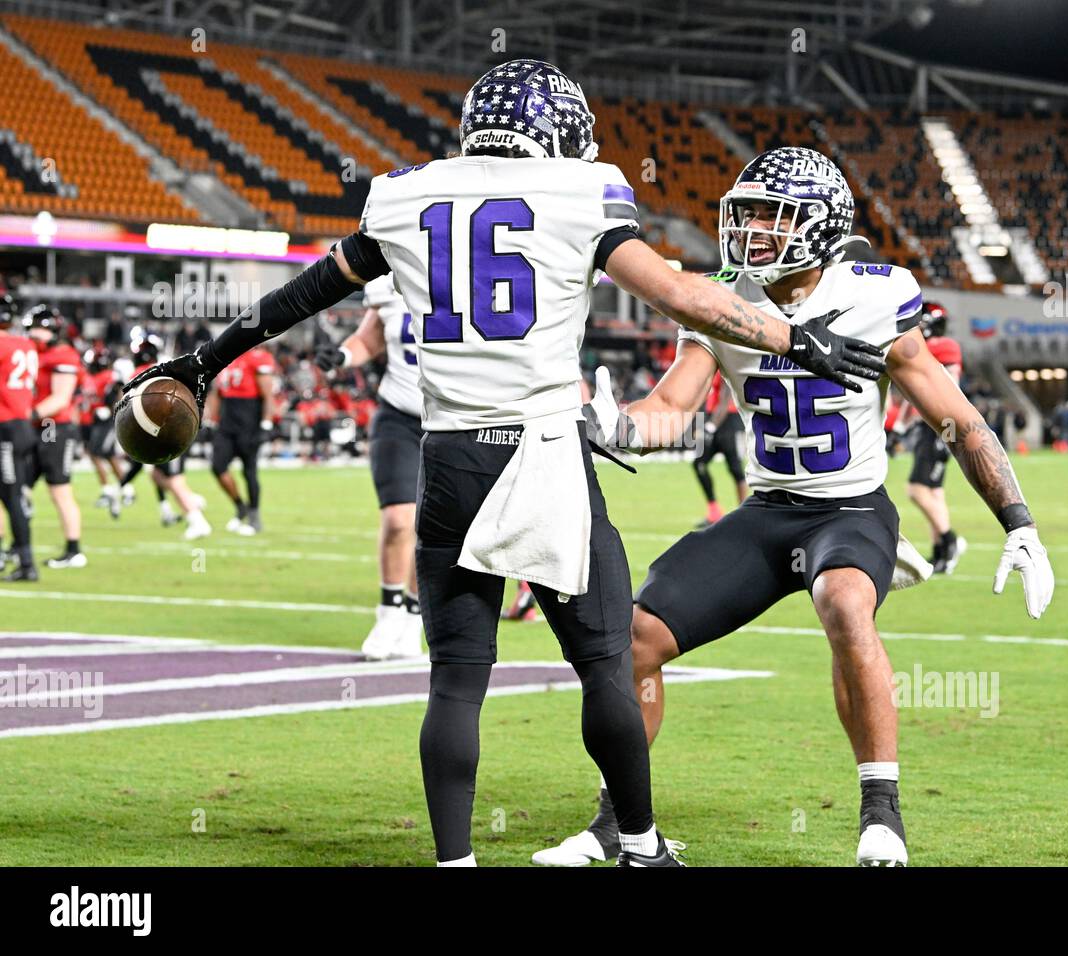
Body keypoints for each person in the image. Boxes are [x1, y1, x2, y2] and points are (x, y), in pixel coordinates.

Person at [120, 59, 884, 868]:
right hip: (543, 451)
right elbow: (677, 295)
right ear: (554, 128)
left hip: (448, 454)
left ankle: (455, 862)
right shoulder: (582, 190)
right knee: (605, 666)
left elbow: (303, 295)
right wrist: (798, 340)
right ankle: (639, 845)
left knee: (455, 678)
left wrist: (202, 362)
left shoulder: (409, 192)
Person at [534, 147, 1054, 868]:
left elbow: (958, 421)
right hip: (768, 513)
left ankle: (882, 816)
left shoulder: (875, 295)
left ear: (822, 224)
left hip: (850, 511)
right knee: (637, 637)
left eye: (773, 217)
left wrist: (1018, 521)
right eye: (745, 215)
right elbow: (672, 408)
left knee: (844, 602)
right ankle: (617, 822)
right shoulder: (724, 297)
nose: (752, 232)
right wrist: (618, 425)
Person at [314, 273, 425, 659]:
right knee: (398, 520)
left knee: (433, 527)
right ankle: (389, 612)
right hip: (400, 414)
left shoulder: (473, 272)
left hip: (454, 421)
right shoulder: (393, 278)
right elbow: (368, 338)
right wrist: (342, 357)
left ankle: (414, 616)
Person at [894, 301, 966, 573]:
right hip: (937, 423)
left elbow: (920, 390)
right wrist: (899, 427)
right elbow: (910, 393)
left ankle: (949, 540)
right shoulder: (933, 348)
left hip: (941, 422)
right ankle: (941, 552)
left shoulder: (942, 346)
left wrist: (900, 426)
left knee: (917, 490)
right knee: (934, 491)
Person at [121, 334, 211, 541]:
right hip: (173, 428)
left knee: (174, 479)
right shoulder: (169, 368)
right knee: (157, 475)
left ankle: (198, 521)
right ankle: (191, 500)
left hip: (167, 431)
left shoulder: (144, 372)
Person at [24, 305, 86, 569]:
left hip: (53, 427)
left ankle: (74, 550)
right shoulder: (33, 353)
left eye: (40, 328)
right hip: (36, 427)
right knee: (15, 488)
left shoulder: (63, 355)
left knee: (59, 490)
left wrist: (26, 414)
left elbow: (60, 399)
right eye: (32, 328)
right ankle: (17, 545)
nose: (34, 333)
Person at [206, 345, 276, 534]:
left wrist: (266, 424)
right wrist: (211, 421)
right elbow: (216, 393)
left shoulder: (257, 357)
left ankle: (254, 519)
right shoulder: (226, 358)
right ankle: (240, 506)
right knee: (218, 466)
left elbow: (268, 394)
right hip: (227, 423)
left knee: (249, 472)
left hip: (249, 423)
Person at [0, 294, 39, 581]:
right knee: (9, 495)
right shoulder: (25, 344)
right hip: (22, 425)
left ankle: (26, 563)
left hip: (7, 428)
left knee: (12, 497)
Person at [692, 370, 747, 525]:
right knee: (699, 464)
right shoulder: (710, 368)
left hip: (729, 422)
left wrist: (710, 427)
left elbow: (725, 401)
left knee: (736, 469)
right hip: (712, 419)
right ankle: (714, 512)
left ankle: (743, 514)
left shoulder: (726, 367)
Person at [82, 345, 128, 519]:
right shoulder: (90, 377)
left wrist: (111, 409)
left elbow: (120, 392)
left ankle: (108, 491)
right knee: (108, 455)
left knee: (95, 453)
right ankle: (127, 488)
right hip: (92, 421)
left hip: (106, 420)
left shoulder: (110, 375)